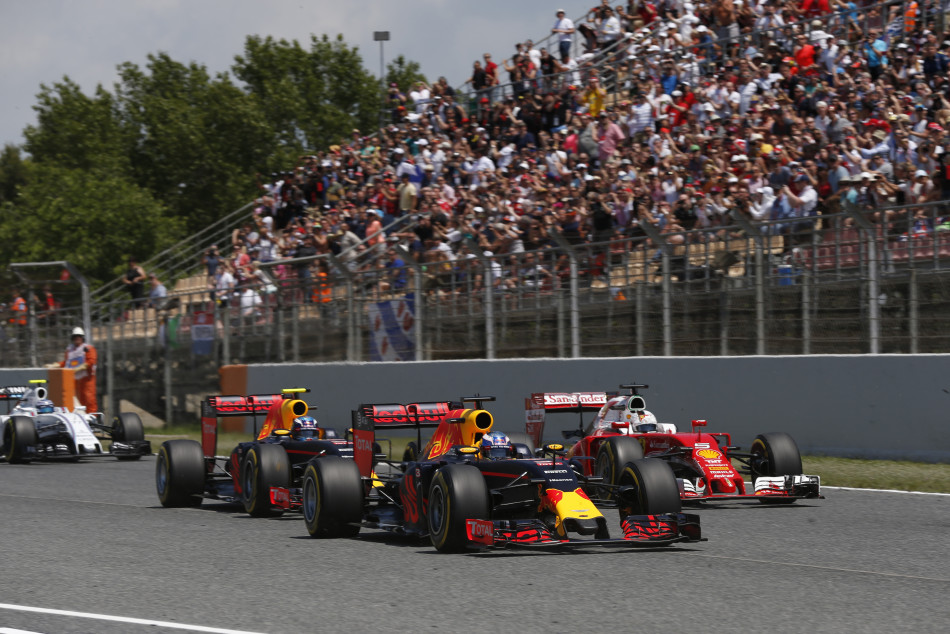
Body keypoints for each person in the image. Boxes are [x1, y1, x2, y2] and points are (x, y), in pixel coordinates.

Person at [58, 326, 98, 413]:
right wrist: (56, 365)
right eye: (75, 337)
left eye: (79, 336)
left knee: (89, 399)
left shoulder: (88, 348)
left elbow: (91, 360)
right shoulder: (69, 350)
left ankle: (93, 418)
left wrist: (82, 367)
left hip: (86, 380)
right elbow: (66, 363)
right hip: (74, 381)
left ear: (82, 338)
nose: (77, 339)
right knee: (76, 401)